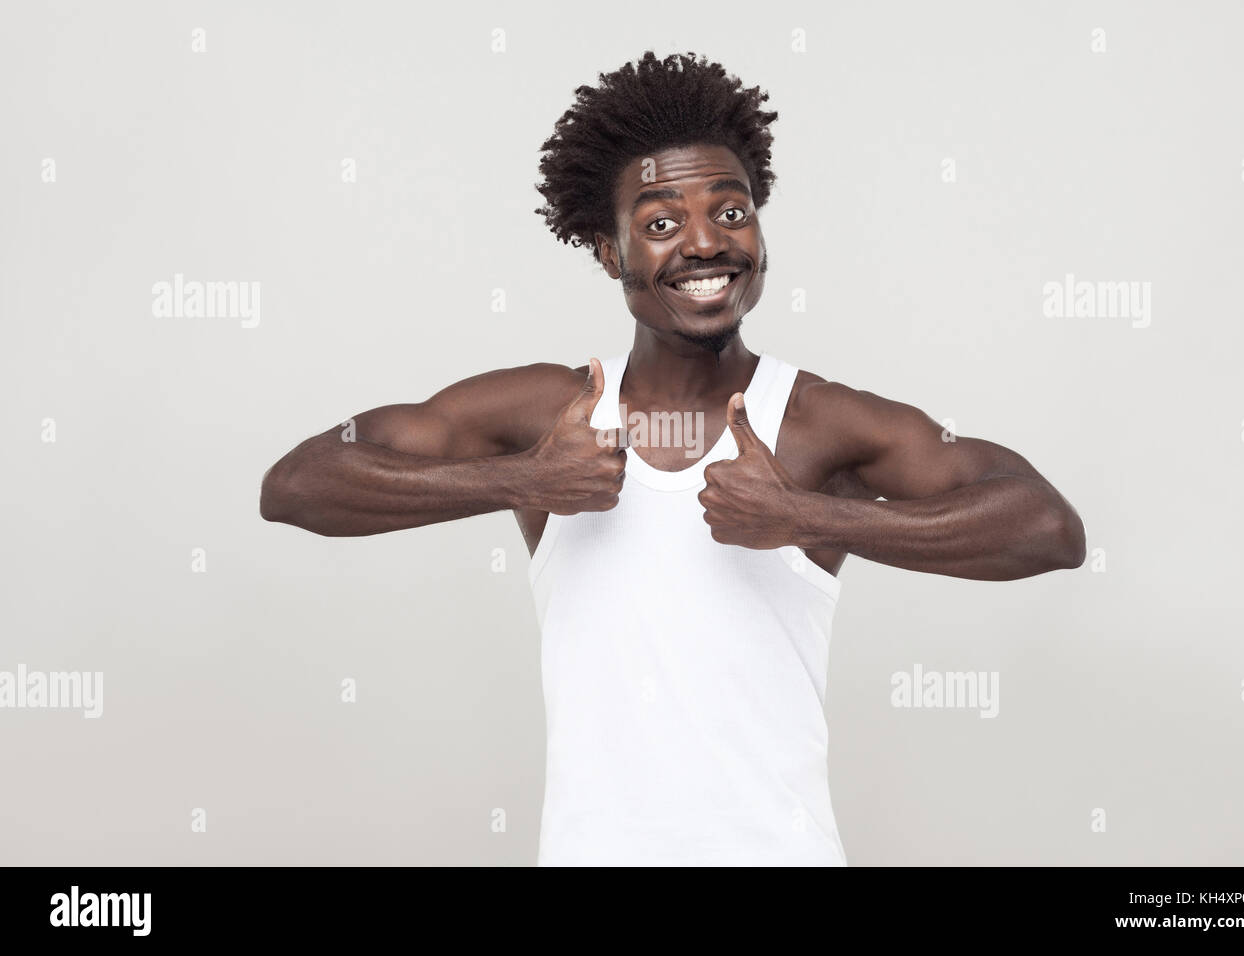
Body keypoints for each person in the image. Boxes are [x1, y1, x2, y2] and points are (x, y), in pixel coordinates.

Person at [260, 51, 1086, 866]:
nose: (704, 243)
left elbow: (1047, 527)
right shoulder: (548, 413)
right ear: (608, 251)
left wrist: (805, 516)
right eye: (661, 223)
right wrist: (520, 480)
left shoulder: (817, 424)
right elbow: (298, 484)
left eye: (732, 213)